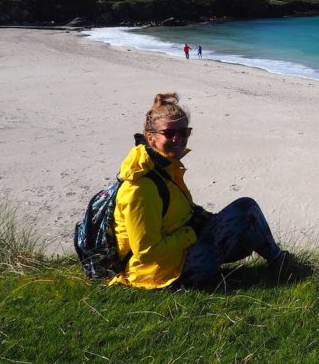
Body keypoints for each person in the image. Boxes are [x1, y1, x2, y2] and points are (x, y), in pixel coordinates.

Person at [110, 92, 300, 289]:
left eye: (184, 132)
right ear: (151, 138)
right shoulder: (140, 186)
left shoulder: (163, 168)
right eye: (169, 133)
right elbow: (147, 251)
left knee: (244, 232)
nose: (178, 139)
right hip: (159, 277)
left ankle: (280, 263)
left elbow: (175, 212)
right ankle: (282, 264)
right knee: (246, 207)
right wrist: (191, 233)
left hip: (172, 263)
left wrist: (203, 221)